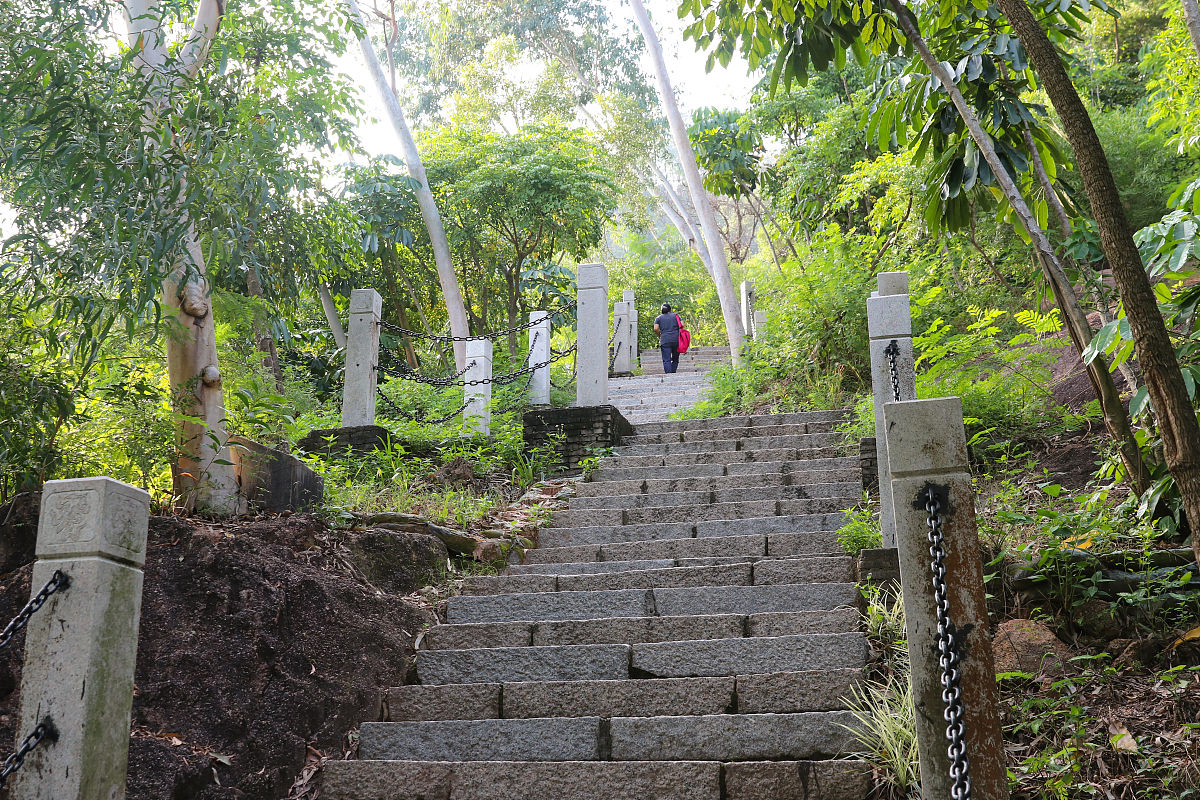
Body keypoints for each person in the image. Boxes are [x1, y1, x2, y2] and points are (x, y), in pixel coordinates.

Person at [653, 303, 681, 374]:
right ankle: (673, 372)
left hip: (665, 339)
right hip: (676, 339)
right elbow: (682, 324)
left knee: (666, 359)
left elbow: (656, 328)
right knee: (675, 358)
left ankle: (669, 374)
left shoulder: (658, 318)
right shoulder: (676, 316)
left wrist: (660, 335)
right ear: (670, 309)